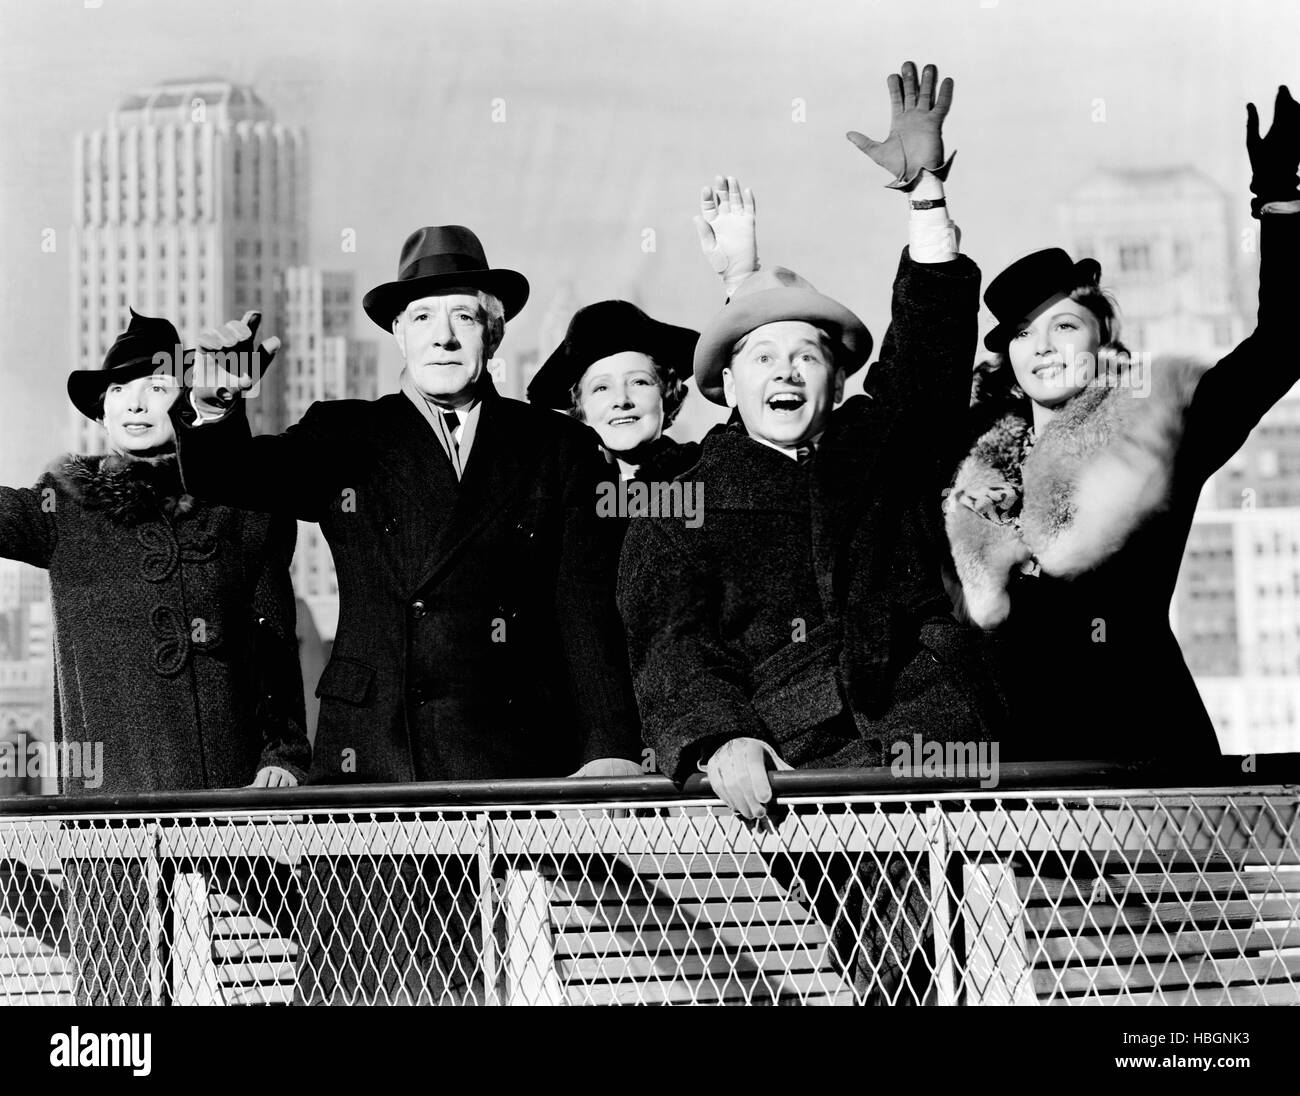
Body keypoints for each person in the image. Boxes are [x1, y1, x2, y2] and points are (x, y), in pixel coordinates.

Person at [174, 224, 644, 1003]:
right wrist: (216, 404)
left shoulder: (556, 447)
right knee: (358, 983)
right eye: (423, 317)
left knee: (500, 982)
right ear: (397, 333)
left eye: (464, 316)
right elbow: (233, 477)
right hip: (374, 756)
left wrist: (607, 748)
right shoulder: (346, 432)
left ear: (493, 332)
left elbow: (581, 610)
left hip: (512, 761)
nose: (444, 335)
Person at [617, 63, 1006, 1002]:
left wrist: (927, 202)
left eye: (808, 355)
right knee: (876, 971)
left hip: (934, 746)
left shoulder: (877, 445)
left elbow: (930, 351)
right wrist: (719, 741)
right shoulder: (685, 495)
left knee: (973, 964)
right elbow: (671, 641)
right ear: (725, 385)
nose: (786, 372)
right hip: (800, 780)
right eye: (762, 357)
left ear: (836, 381)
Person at [944, 85, 1300, 765]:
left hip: (1149, 753)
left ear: (1103, 344)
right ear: (1009, 360)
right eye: (1023, 334)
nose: (1043, 346)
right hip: (1023, 773)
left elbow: (1284, 341)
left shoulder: (1158, 435)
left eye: (1064, 326)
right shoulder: (977, 468)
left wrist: (1281, 202)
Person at [0, 309, 309, 1004]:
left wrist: (283, 757)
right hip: (108, 815)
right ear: (102, 407)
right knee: (121, 1007)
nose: (136, 402)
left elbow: (273, 642)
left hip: (227, 810)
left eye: (156, 385)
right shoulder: (61, 509)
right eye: (118, 389)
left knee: (242, 989)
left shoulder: (246, 508)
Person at [526, 299, 701, 486]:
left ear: (667, 395)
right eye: (601, 388)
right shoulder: (565, 493)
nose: (621, 400)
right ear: (580, 408)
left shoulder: (702, 475)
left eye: (639, 382)